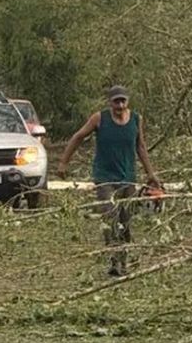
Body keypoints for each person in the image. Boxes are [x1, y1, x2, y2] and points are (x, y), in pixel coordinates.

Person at [57, 85, 160, 276]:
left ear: (127, 101)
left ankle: (124, 260)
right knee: (110, 217)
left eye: (123, 101)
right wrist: (63, 162)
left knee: (125, 220)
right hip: (105, 178)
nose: (120, 105)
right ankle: (113, 261)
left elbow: (141, 146)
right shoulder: (99, 118)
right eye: (116, 101)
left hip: (128, 178)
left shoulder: (136, 119)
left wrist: (150, 174)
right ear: (110, 102)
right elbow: (78, 137)